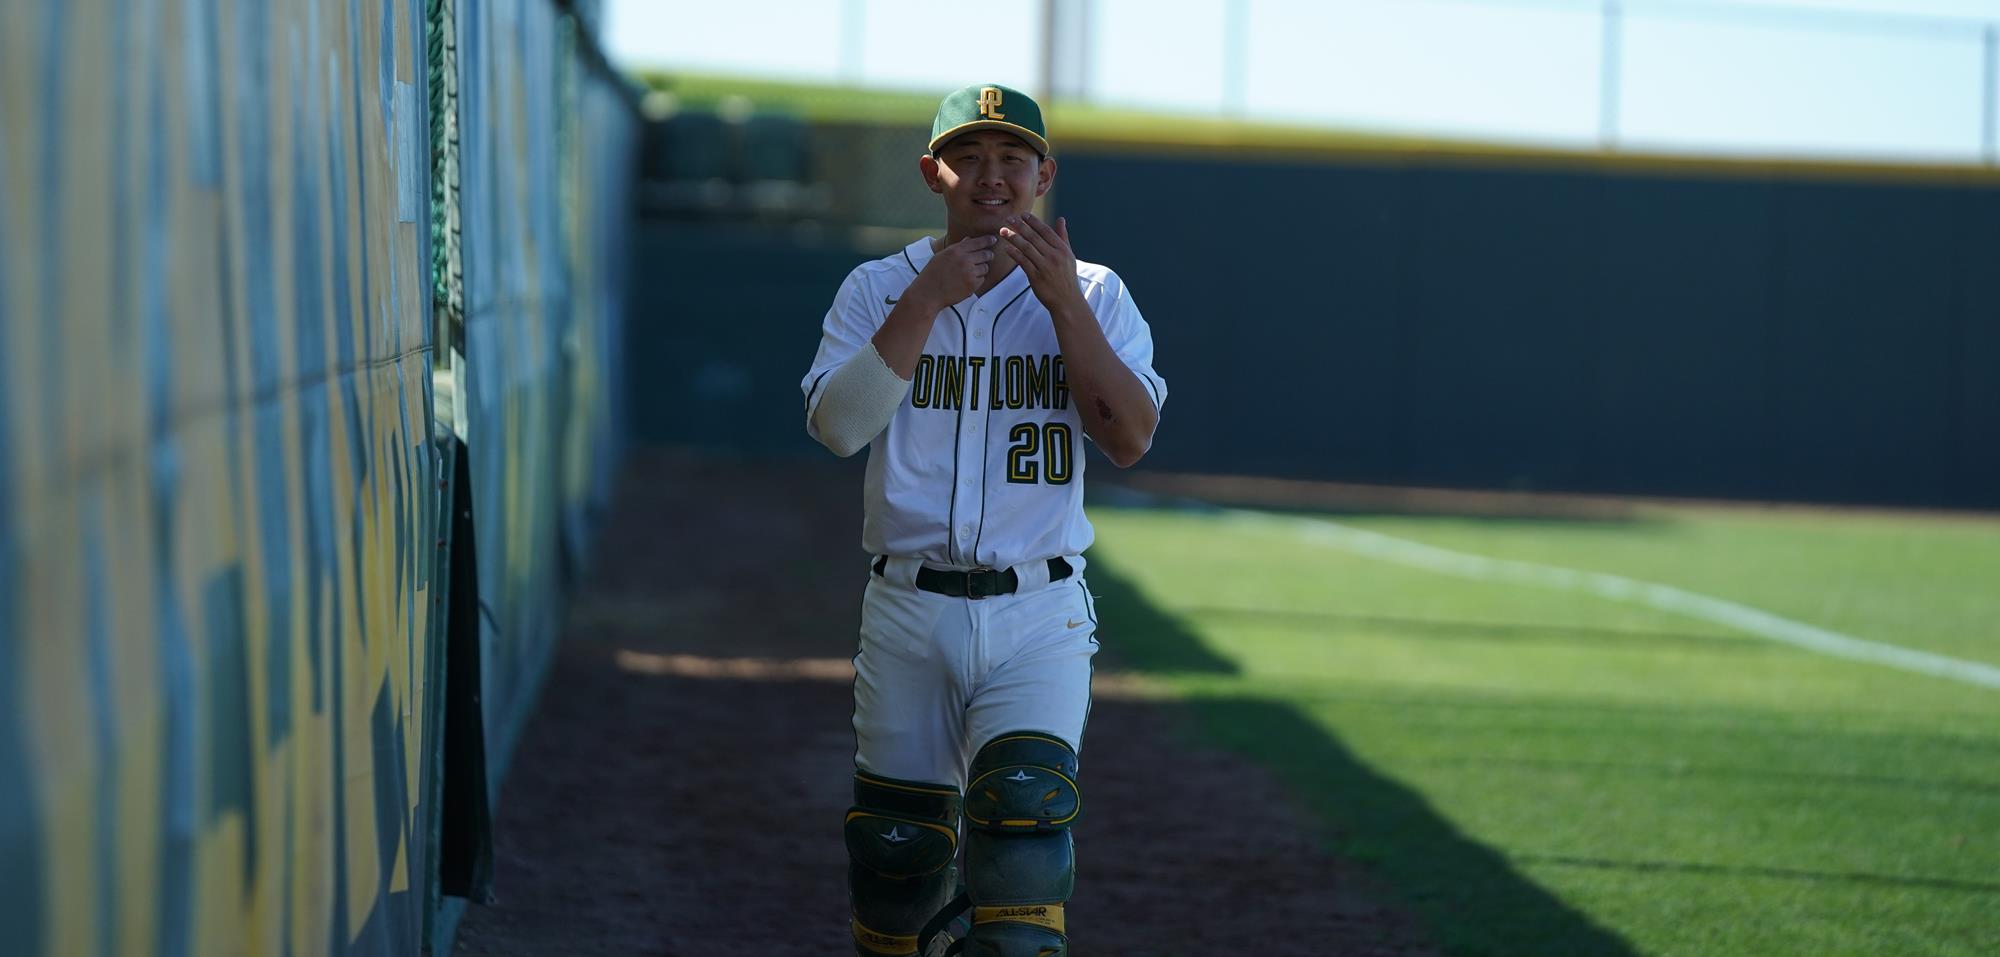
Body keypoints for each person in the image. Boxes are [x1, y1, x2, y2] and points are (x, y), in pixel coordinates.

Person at [800, 83, 1167, 957]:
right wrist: (925, 299)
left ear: (1045, 174)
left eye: (1012, 158)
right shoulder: (878, 287)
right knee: (897, 867)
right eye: (969, 156)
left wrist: (1064, 306)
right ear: (935, 173)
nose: (991, 176)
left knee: (1025, 837)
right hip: (908, 606)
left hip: (1038, 610)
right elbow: (839, 427)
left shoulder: (1097, 291)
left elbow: (1130, 438)